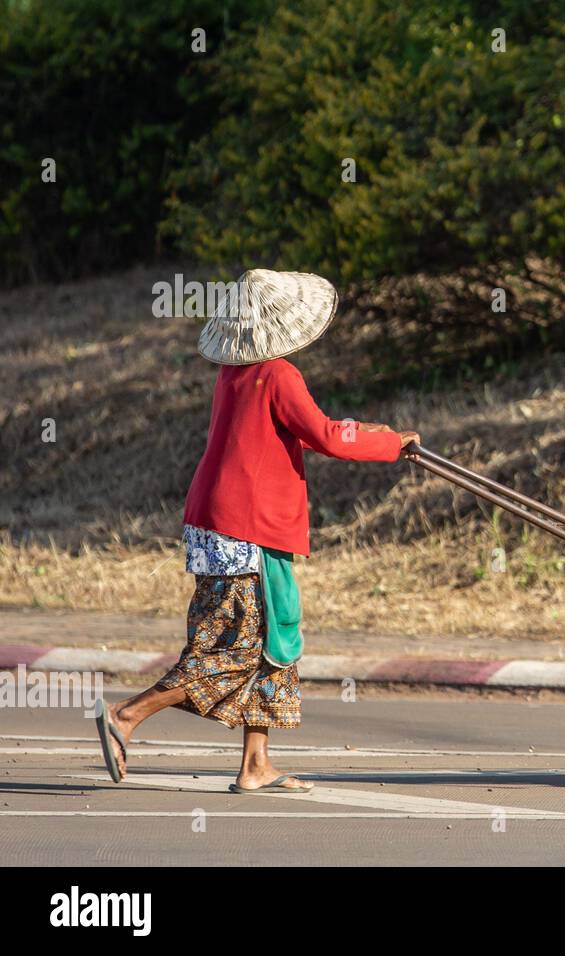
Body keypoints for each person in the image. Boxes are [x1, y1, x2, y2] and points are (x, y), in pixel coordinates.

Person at [94, 269, 419, 793]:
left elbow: (304, 433)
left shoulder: (235, 373)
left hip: (220, 523)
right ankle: (126, 717)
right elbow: (325, 436)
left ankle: (255, 764)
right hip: (246, 529)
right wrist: (387, 444)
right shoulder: (279, 374)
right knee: (233, 649)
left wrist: (368, 432)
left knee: (273, 640)